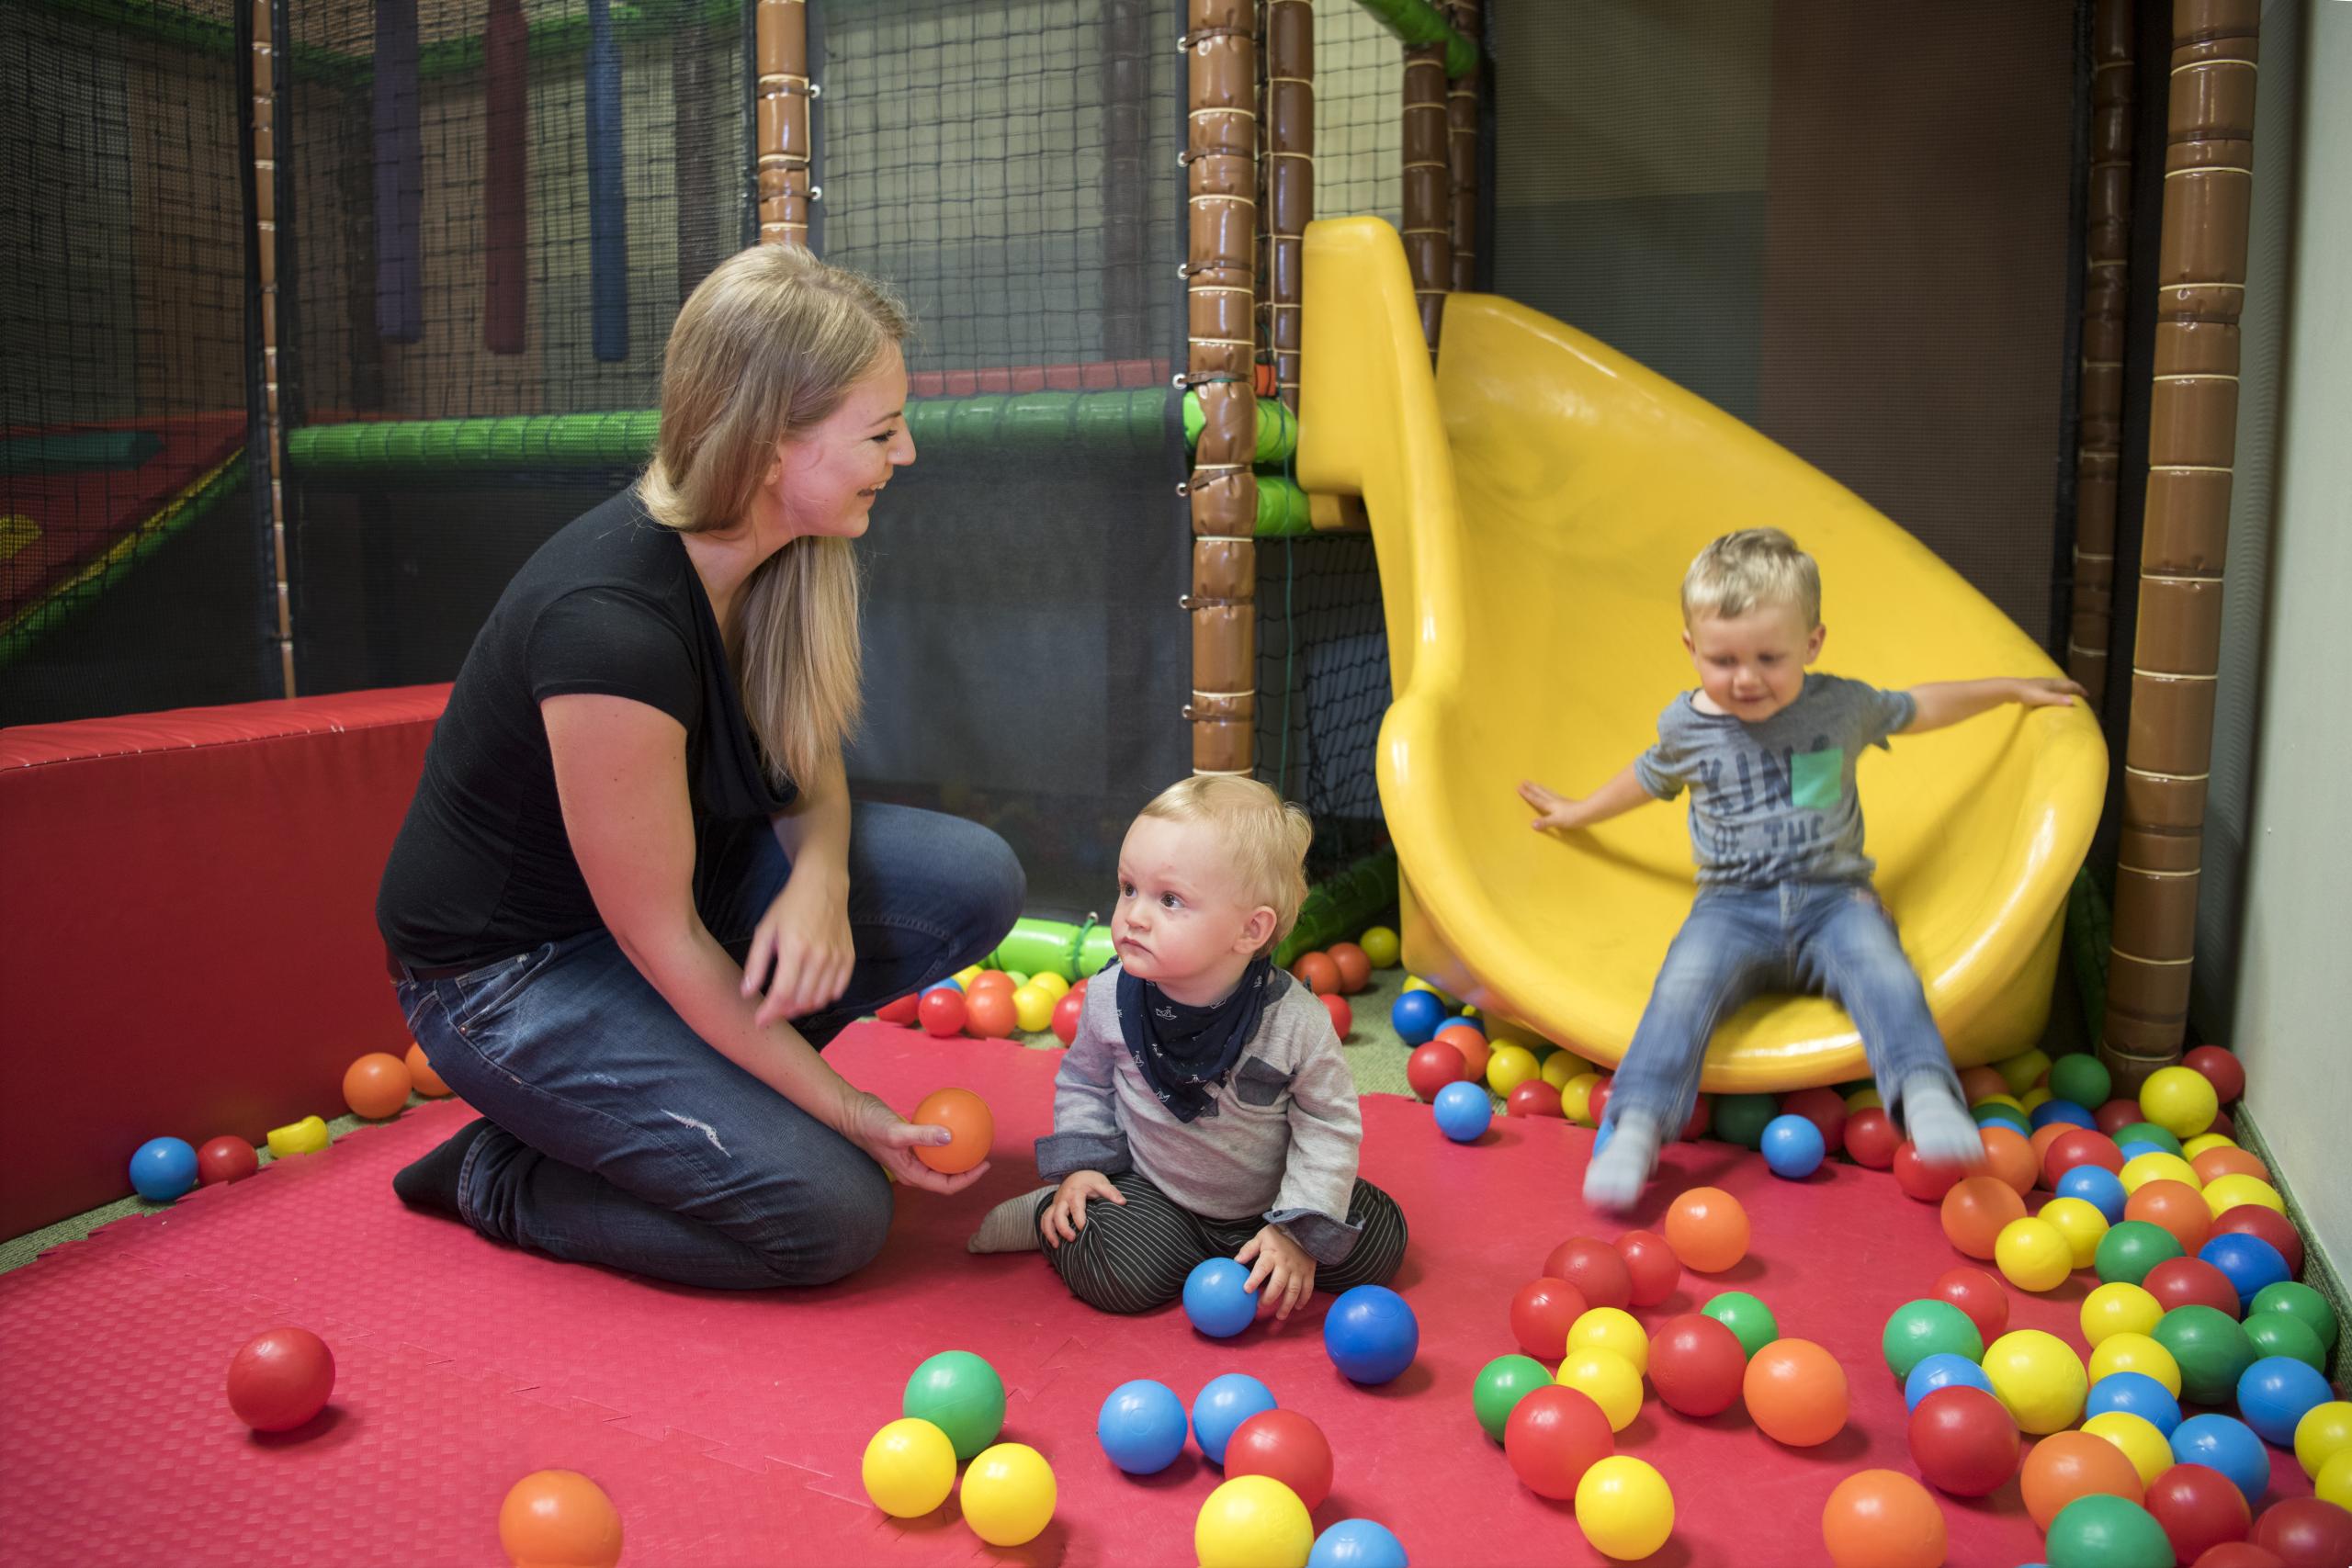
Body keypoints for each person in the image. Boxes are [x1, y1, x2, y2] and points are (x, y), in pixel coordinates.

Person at [377, 245, 1023, 1288]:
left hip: (653, 912)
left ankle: (675, 1113)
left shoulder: (789, 556)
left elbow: (805, 757)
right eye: (879, 431)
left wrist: (818, 883)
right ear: (773, 447)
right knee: (830, 1217)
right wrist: (850, 1112)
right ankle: (501, 1174)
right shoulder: (612, 630)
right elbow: (664, 941)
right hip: (511, 978)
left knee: (968, 877)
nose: (904, 454)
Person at [1516, 527, 2084, 1211]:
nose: (1746, 677)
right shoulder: (1687, 725)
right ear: (1692, 649)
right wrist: (1579, 811)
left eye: (1769, 657)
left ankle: (1926, 1092)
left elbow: (1921, 705)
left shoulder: (1840, 706)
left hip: (1834, 899)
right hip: (1730, 906)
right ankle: (1636, 1124)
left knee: (1884, 971)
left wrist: (2010, 689)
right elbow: (1648, 776)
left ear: (1812, 645)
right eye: (1722, 659)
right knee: (1680, 988)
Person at [967, 777, 1408, 1320]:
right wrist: (1080, 1169)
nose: (1134, 915)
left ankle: (1259, 1252)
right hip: (1154, 1194)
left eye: (1169, 899)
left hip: (1270, 1202)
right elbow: (1084, 1082)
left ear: (1250, 930)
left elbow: (1328, 1126)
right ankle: (1045, 1215)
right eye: (1129, 888)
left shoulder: (1296, 1022)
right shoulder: (1111, 997)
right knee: (1121, 1277)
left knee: (1384, 1239)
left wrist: (1299, 1228)